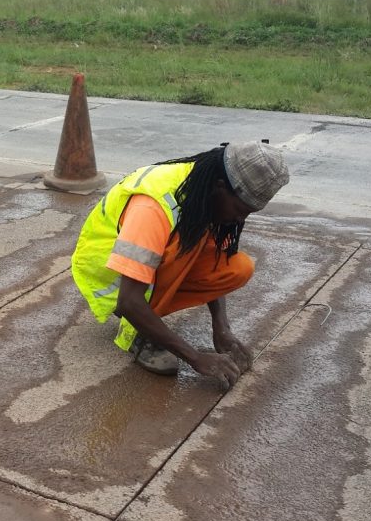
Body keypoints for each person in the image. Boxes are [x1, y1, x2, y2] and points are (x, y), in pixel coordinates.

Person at [71, 141, 289, 389]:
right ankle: (137, 333)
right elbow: (128, 301)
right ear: (221, 187)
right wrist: (195, 358)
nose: (240, 219)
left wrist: (222, 329)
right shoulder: (153, 205)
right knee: (181, 250)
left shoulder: (204, 188)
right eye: (240, 209)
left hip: (144, 262)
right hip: (107, 269)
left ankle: (150, 319)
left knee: (239, 267)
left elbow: (212, 256)